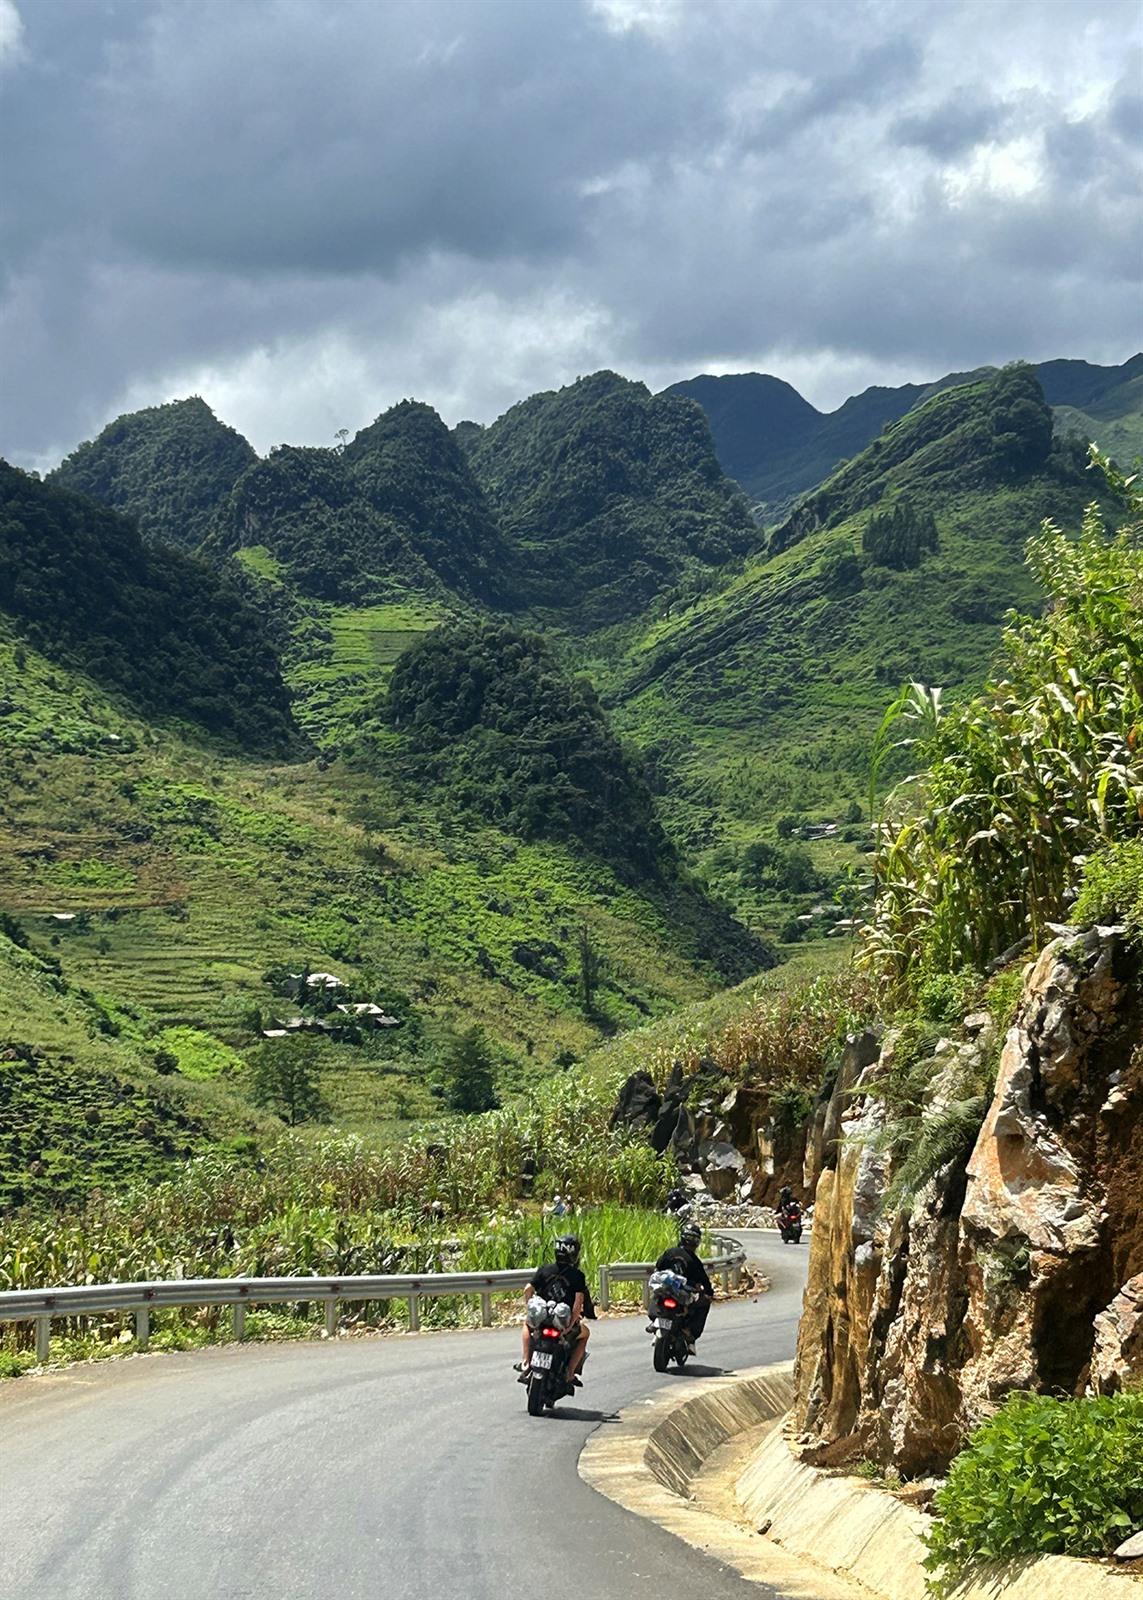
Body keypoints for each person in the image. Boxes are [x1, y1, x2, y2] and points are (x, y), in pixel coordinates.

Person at [517, 1234, 594, 1387]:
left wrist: (530, 1307)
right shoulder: (577, 1276)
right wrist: (570, 1326)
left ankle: (525, 1362)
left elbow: (528, 1289)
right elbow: (578, 1304)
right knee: (585, 1334)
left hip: (542, 1318)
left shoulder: (545, 1269)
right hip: (562, 1322)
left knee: (526, 1325)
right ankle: (570, 1373)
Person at [655, 1222, 713, 1350]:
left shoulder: (670, 1252)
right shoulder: (695, 1261)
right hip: (682, 1295)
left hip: (668, 1292)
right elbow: (704, 1281)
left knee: (658, 1292)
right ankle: (689, 1331)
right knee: (705, 1303)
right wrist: (709, 1293)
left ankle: (655, 1321)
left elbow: (658, 1266)